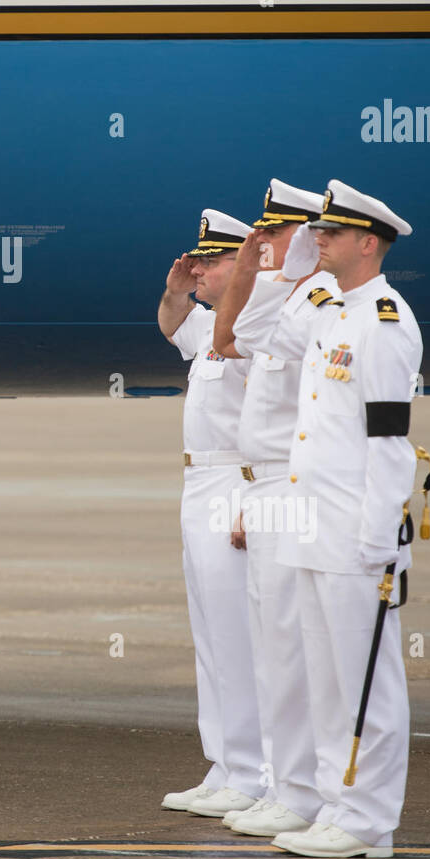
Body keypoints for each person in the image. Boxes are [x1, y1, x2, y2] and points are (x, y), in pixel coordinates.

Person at [225, 180, 420, 858]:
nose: (320, 238)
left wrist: (378, 539)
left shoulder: (385, 322)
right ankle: (338, 807)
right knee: (330, 680)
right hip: (314, 524)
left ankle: (370, 819)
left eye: (332, 233)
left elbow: (388, 441)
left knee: (368, 682)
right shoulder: (335, 312)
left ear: (369, 242)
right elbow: (254, 342)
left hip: (355, 533)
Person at [208, 180, 329, 838]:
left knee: (290, 646)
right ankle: (286, 786)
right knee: (272, 644)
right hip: (262, 486)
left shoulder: (320, 305)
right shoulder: (283, 299)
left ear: (305, 236)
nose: (263, 243)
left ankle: (302, 791)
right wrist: (255, 267)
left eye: (275, 233)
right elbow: (225, 337)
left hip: (292, 483)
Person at [157, 209, 264, 820]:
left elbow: (278, 423)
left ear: (244, 263)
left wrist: (256, 500)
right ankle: (226, 765)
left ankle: (255, 773)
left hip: (235, 480)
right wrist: (176, 291)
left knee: (238, 635)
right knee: (210, 636)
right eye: (194, 259)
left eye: (210, 261)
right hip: (199, 480)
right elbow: (174, 327)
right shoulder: (218, 322)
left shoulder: (254, 328)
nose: (197, 268)